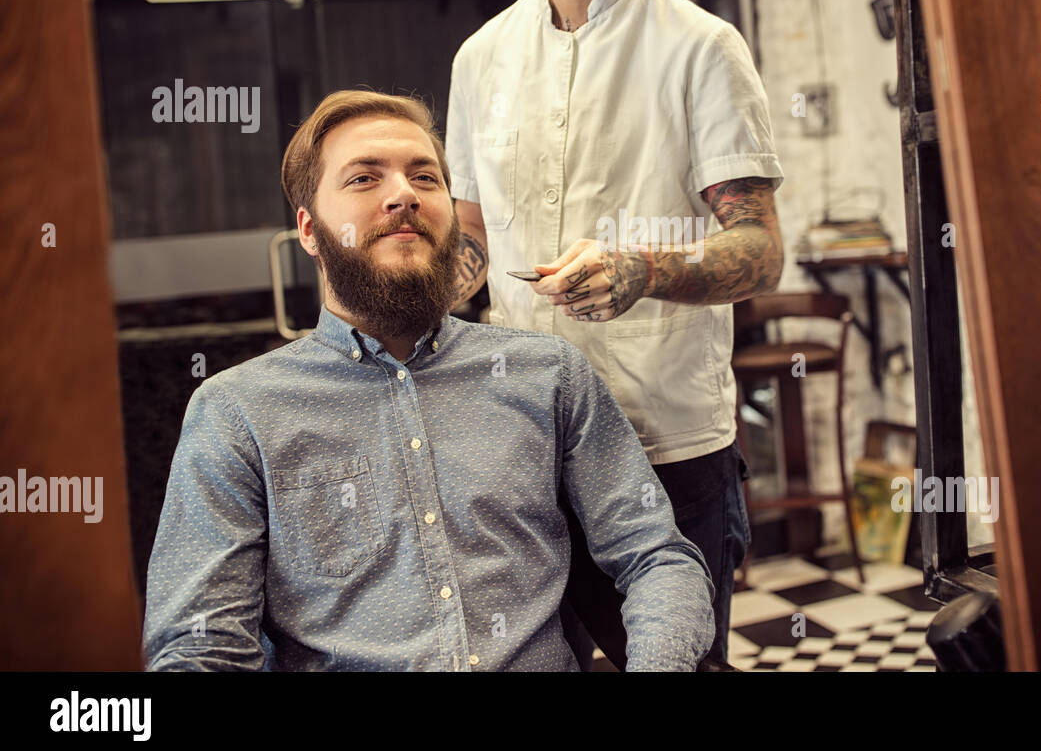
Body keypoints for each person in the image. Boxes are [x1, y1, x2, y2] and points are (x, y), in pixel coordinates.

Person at [143, 89, 714, 671]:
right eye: (364, 179)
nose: (403, 195)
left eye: (426, 177)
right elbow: (201, 644)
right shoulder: (238, 412)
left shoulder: (548, 376)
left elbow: (657, 558)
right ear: (310, 231)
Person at [444, 0, 785, 669]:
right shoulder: (479, 60)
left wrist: (646, 268)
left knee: (677, 660)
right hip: (524, 440)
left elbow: (758, 247)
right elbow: (474, 243)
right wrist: (403, 295)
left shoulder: (702, 48)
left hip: (666, 444)